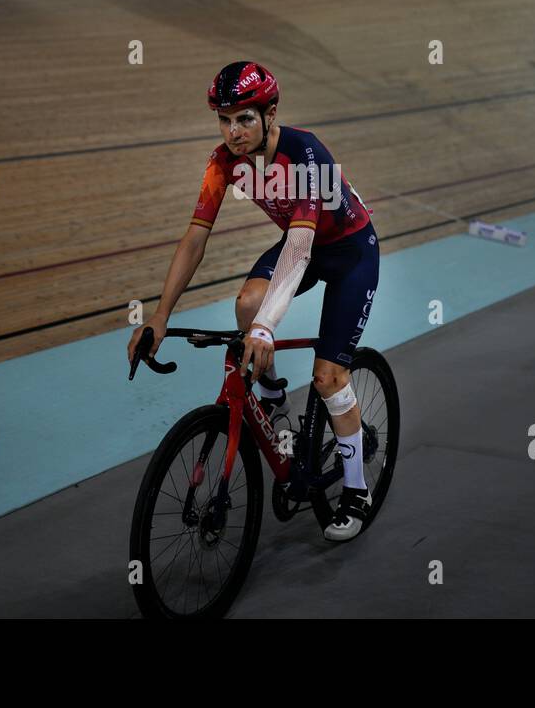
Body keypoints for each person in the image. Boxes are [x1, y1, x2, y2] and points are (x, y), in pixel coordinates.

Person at [126, 63, 382, 542]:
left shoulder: (307, 154)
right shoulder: (223, 162)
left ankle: (356, 491)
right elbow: (194, 239)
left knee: (329, 376)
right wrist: (159, 316)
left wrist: (268, 328)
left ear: (270, 113)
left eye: (244, 119)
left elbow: (302, 249)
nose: (233, 132)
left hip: (348, 253)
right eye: (224, 120)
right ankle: (271, 393)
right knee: (246, 306)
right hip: (299, 244)